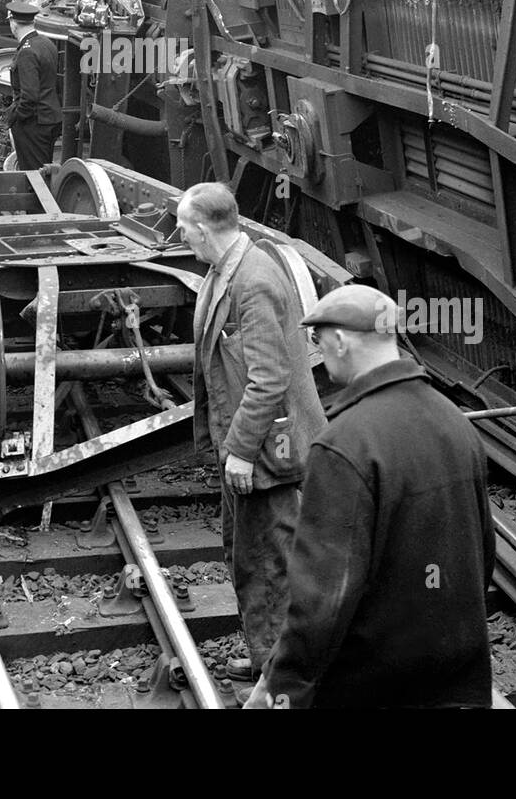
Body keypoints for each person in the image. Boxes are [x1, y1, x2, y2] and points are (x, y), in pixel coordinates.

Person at [245, 286, 494, 710]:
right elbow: (481, 553)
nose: (320, 354)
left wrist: (282, 684)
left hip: (374, 683)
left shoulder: (344, 444)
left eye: (319, 342)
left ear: (340, 341)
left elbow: (325, 595)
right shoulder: (455, 422)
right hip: (456, 671)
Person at [176, 182, 326, 690]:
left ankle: (286, 673)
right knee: (249, 554)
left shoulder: (253, 280)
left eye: (183, 227)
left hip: (267, 450)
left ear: (203, 228)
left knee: (271, 560)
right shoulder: (225, 270)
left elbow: (269, 378)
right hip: (248, 446)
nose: (180, 235)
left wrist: (239, 450)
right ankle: (270, 657)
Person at [3, 0, 62, 169]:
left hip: (34, 124)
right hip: (50, 117)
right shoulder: (46, 43)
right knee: (45, 169)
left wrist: (16, 118)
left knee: (33, 174)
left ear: (13, 23)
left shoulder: (27, 52)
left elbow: (29, 96)